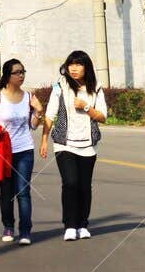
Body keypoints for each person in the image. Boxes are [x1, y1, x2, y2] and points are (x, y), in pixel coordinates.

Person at [40, 49, 107, 242]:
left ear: (86, 67)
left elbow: (103, 116)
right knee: (70, 183)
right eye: (71, 64)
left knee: (85, 186)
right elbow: (50, 114)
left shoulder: (96, 88)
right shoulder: (60, 86)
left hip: (88, 145)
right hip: (65, 144)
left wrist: (86, 107)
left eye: (78, 64)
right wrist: (44, 139)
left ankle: (82, 224)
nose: (74, 68)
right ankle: (70, 225)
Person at [0, 59, 43, 246]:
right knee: (6, 192)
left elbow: (33, 126)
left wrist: (38, 112)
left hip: (25, 150)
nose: (21, 75)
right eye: (17, 72)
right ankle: (8, 226)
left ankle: (25, 230)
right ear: (7, 76)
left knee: (23, 192)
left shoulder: (29, 97)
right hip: (3, 153)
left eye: (23, 71)